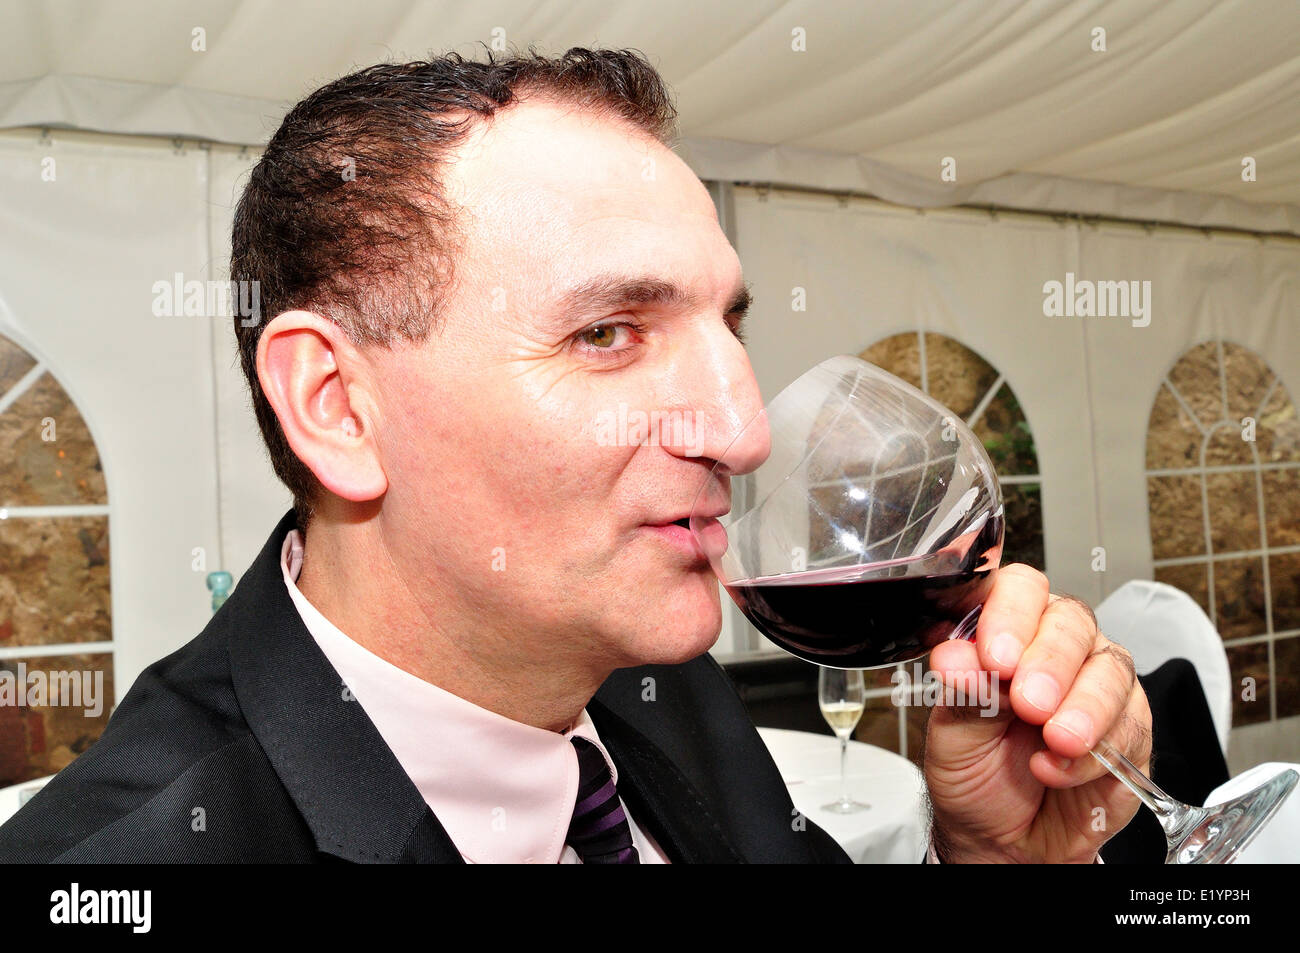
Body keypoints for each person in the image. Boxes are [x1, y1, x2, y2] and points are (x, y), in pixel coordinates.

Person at [0, 46, 1150, 863]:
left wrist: (999, 860)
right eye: (608, 333)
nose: (743, 432)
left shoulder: (655, 684)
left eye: (728, 324)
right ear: (337, 405)